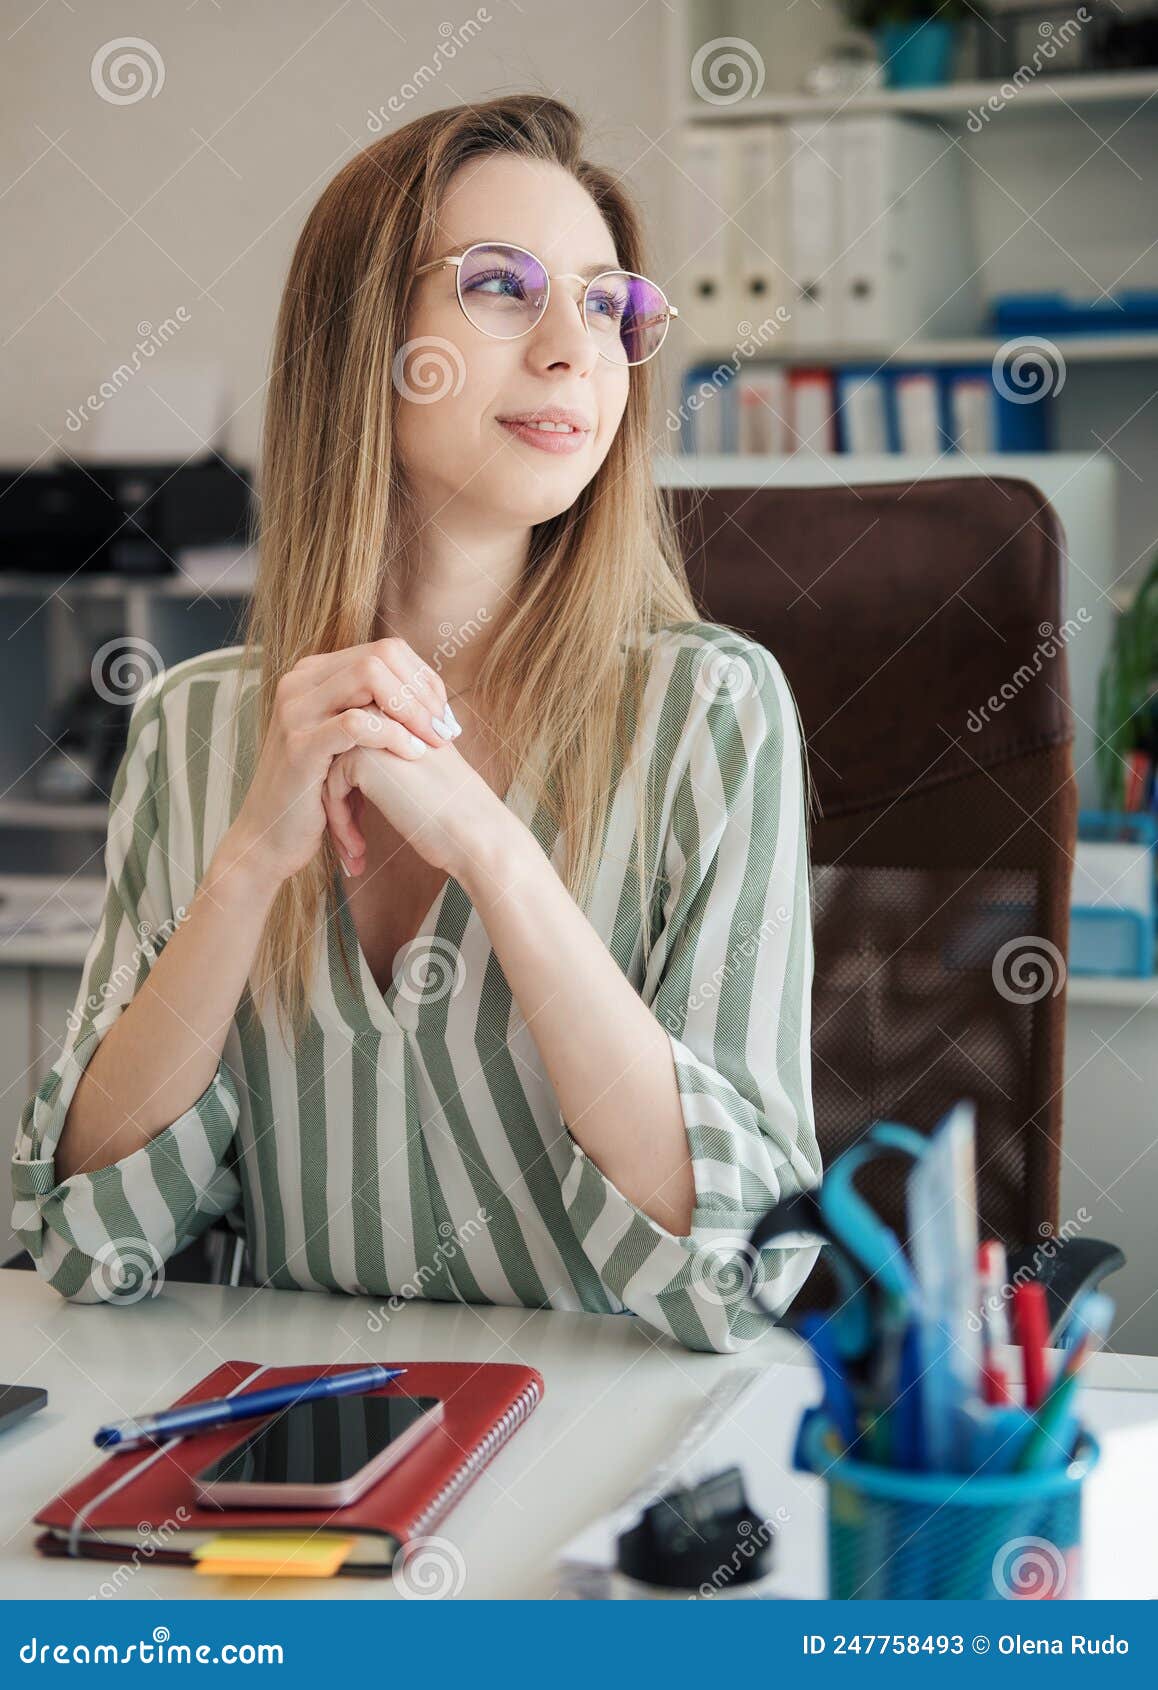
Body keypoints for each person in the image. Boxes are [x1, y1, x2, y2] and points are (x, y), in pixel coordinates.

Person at [11, 94, 821, 1353]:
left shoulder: (711, 713)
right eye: (503, 287)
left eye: (608, 304)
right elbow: (85, 1233)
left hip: (600, 1471)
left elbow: (737, 1266)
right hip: (298, 1456)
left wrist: (495, 853)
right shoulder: (194, 728)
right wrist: (245, 869)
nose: (574, 349)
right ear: (361, 343)